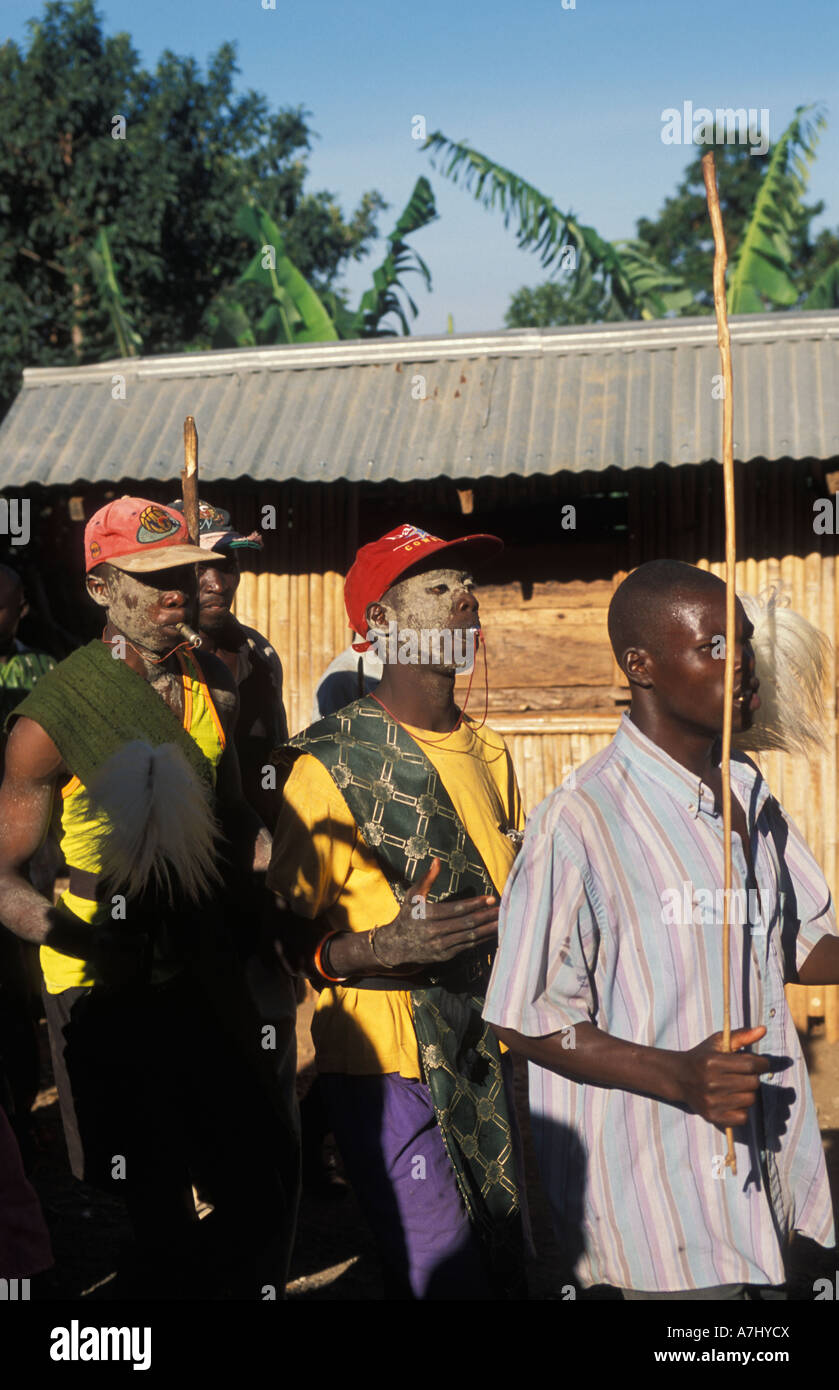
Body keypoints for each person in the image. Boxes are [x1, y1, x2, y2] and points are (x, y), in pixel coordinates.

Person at [484, 559, 839, 1299]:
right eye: (712, 645)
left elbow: (800, 946)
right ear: (638, 665)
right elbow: (524, 1020)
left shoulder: (747, 791)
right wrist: (678, 1074)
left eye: (741, 642)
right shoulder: (579, 820)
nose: (739, 663)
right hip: (660, 1203)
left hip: (763, 1179)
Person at [0, 497, 296, 1297]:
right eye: (153, 575)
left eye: (183, 571)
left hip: (206, 955)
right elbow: (3, 875)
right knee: (153, 1189)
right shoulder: (53, 716)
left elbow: (235, 819)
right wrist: (72, 940)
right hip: (107, 978)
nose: (180, 588)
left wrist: (292, 889)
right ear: (101, 588)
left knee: (255, 1172)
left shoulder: (214, 681)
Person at [268, 522, 527, 1299]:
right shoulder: (327, 761)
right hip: (388, 1062)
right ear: (377, 624)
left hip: (493, 1045)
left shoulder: (490, 751)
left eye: (467, 588)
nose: (465, 602)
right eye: (437, 590)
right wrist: (368, 949)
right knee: (440, 1276)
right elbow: (281, 931)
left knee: (506, 1258)